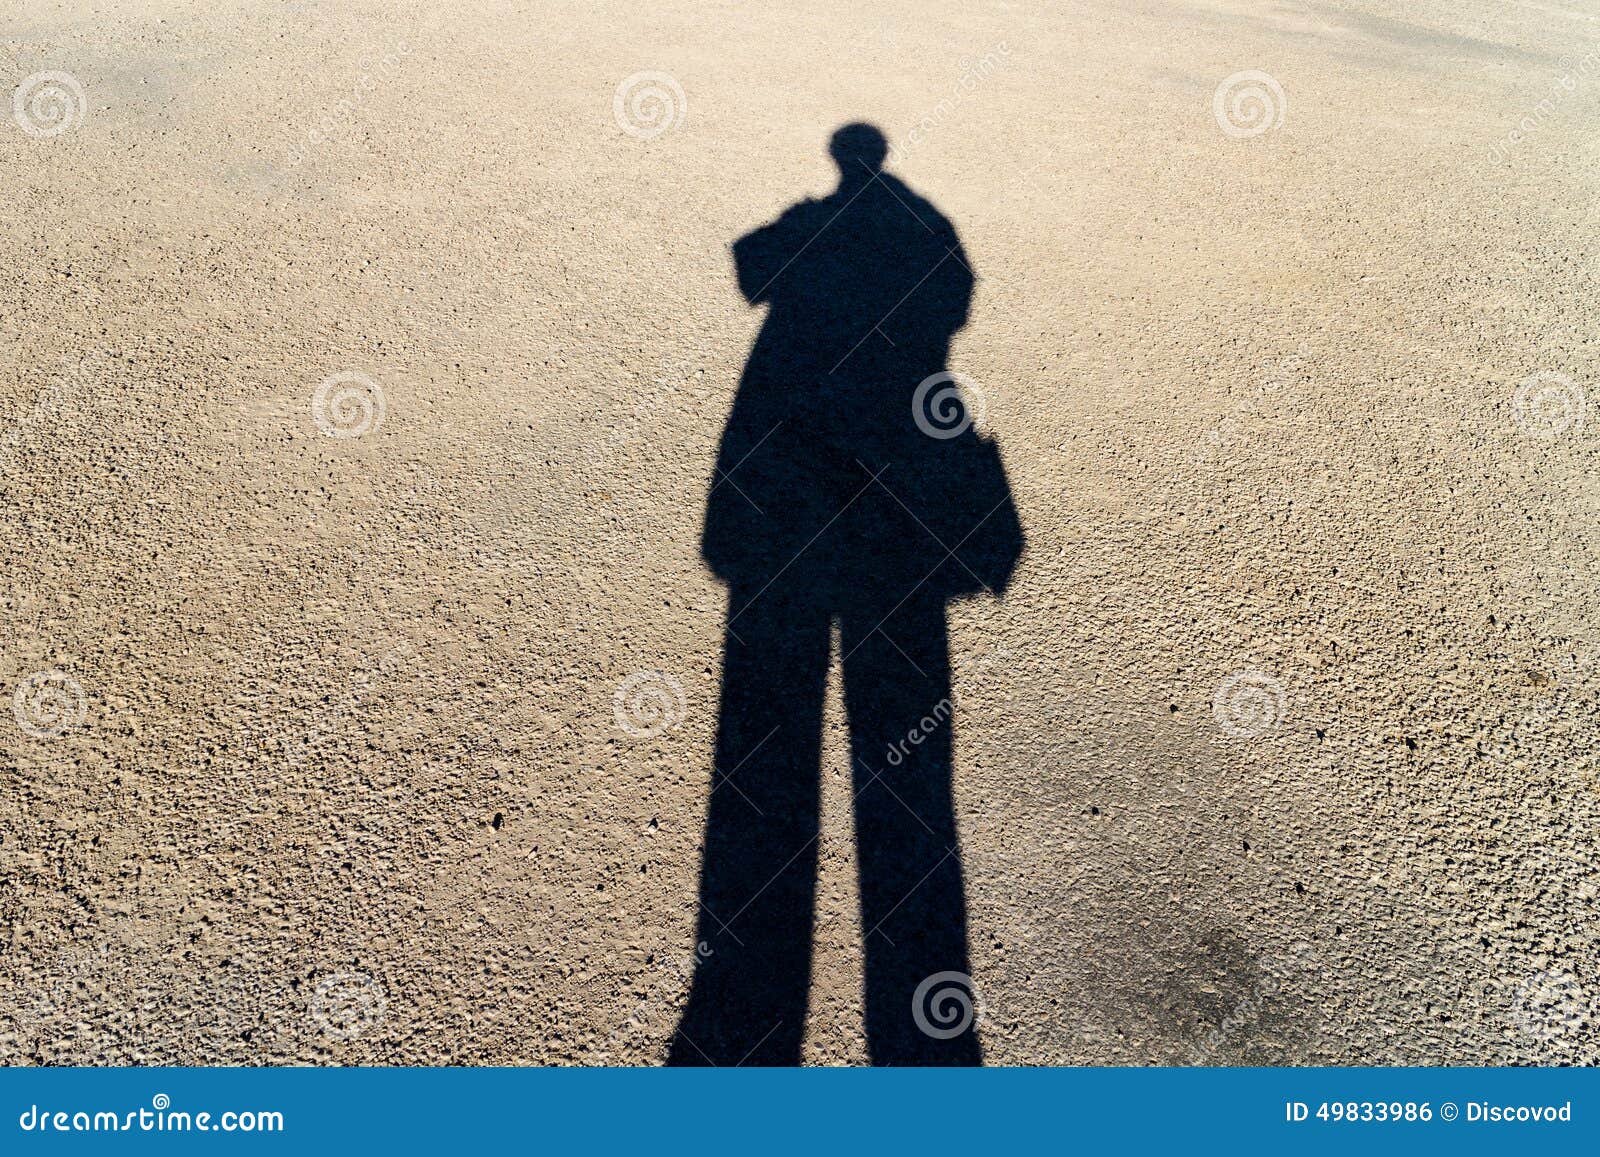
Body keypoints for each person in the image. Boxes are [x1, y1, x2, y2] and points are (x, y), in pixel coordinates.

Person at [669, 124, 1021, 1066]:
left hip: (786, 498)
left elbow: (749, 268)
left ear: (839, 158)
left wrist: (818, 236)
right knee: (903, 763)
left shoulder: (816, 221)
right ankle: (918, 1022)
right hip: (895, 506)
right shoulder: (923, 224)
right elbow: (958, 295)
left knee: (767, 738)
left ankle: (745, 998)